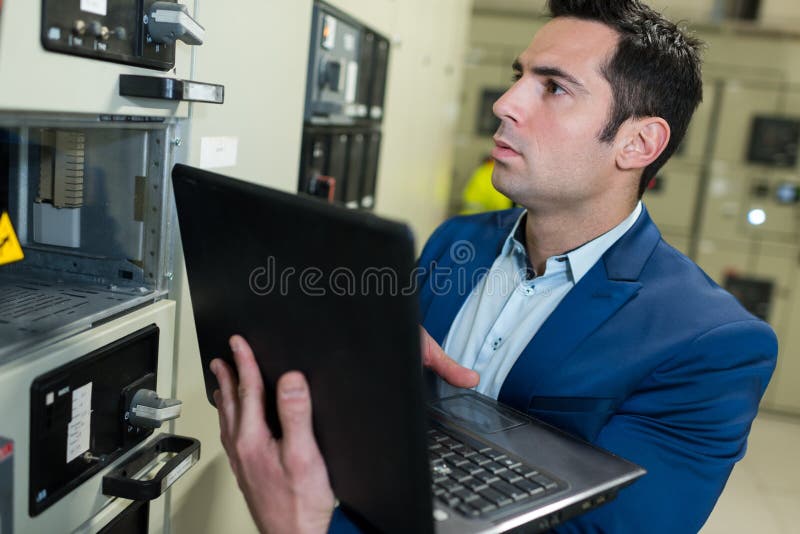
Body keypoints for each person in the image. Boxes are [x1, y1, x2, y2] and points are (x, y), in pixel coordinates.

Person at [210, 0, 778, 532]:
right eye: (519, 75)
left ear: (637, 143)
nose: (506, 103)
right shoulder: (455, 243)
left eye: (554, 87)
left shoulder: (711, 344)